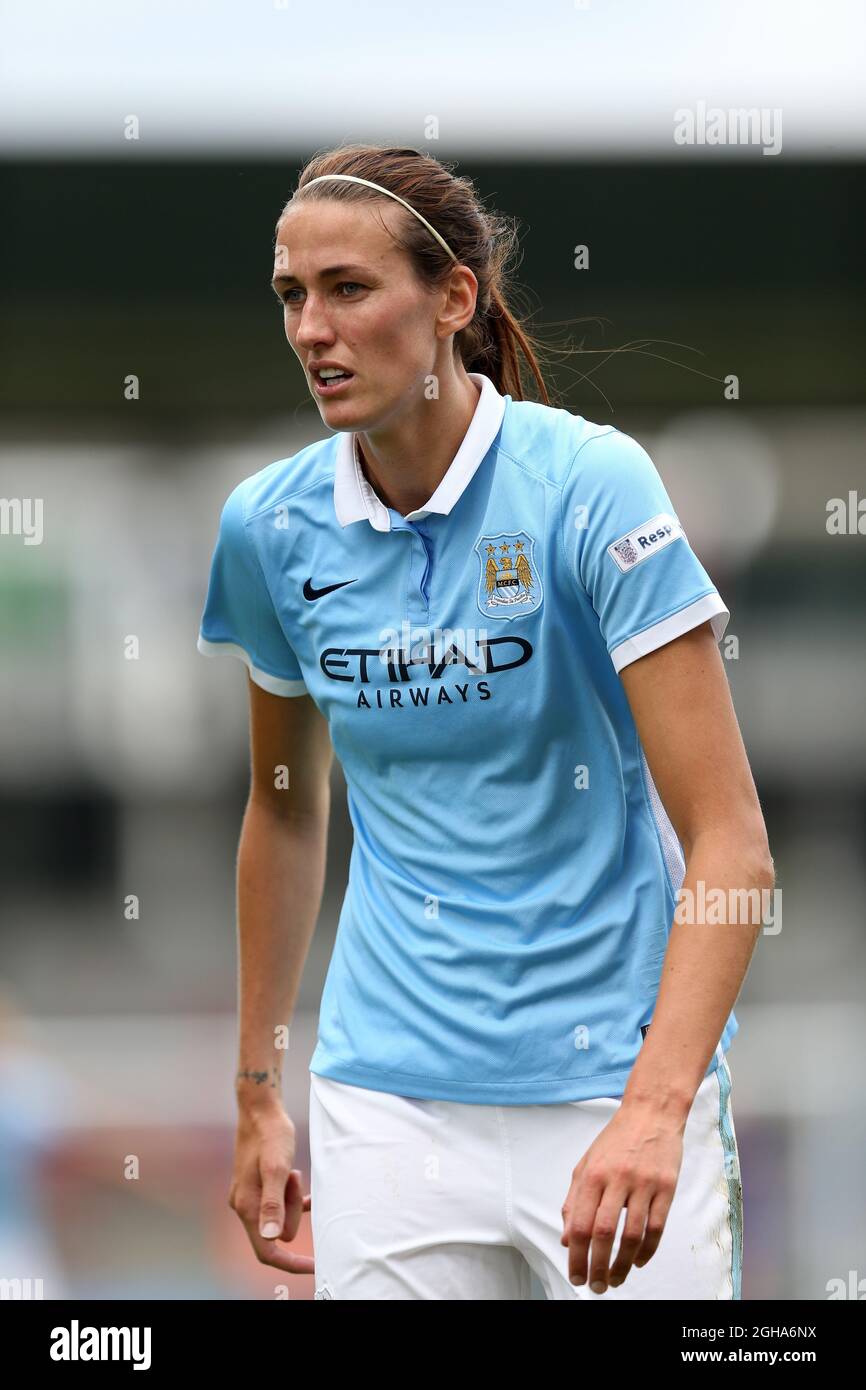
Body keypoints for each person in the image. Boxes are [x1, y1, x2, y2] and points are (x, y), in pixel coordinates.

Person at [197, 143, 774, 1300]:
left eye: (349, 289)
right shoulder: (267, 529)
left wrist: (654, 1110)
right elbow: (287, 813)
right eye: (291, 296)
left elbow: (731, 845)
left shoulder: (588, 488)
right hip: (384, 1097)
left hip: (608, 1090)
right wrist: (261, 1094)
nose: (312, 327)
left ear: (454, 298)